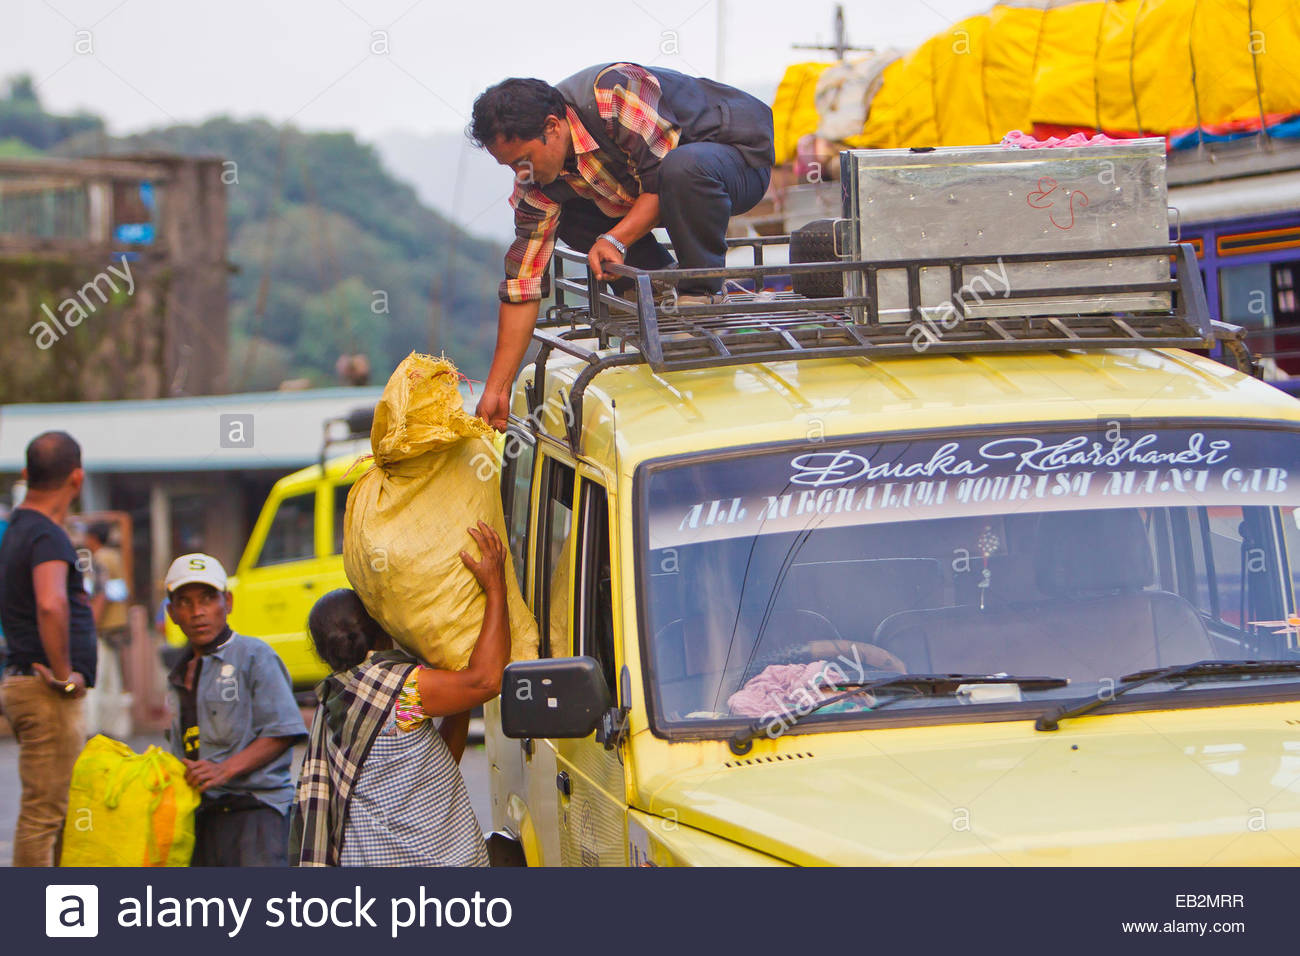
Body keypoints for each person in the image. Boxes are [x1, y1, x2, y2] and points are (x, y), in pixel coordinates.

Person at [469, 62, 775, 429]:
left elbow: (660, 180)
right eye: (510, 166)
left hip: (732, 161)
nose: (521, 174)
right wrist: (497, 388)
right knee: (567, 213)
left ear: (552, 126)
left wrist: (615, 239)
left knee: (684, 168)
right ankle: (653, 289)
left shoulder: (615, 93)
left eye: (523, 161)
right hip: (650, 187)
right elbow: (523, 285)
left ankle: (702, 294)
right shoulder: (535, 185)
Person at [291, 522, 509, 867]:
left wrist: (457, 697)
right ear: (380, 629)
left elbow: (434, 766)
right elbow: (487, 682)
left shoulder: (336, 703)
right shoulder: (401, 691)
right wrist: (496, 587)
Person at [163, 552, 307, 866]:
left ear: (227, 602)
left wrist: (223, 770)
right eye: (185, 602)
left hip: (256, 812)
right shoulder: (177, 674)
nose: (197, 612)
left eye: (207, 599)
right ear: (172, 613)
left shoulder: (254, 655)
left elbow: (282, 731)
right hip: (203, 816)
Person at [0, 431, 96, 866]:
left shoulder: (17, 530)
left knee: (56, 814)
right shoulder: (47, 536)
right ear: (76, 478)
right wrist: (64, 674)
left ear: (26, 474)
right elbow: (50, 602)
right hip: (46, 690)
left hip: (22, 680)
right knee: (44, 817)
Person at [83, 521, 131, 738]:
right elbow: (120, 591)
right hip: (117, 625)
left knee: (98, 678)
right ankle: (115, 727)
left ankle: (94, 727)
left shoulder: (100, 559)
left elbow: (100, 593)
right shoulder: (115, 556)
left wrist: (90, 624)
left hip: (103, 628)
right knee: (113, 678)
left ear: (93, 538)